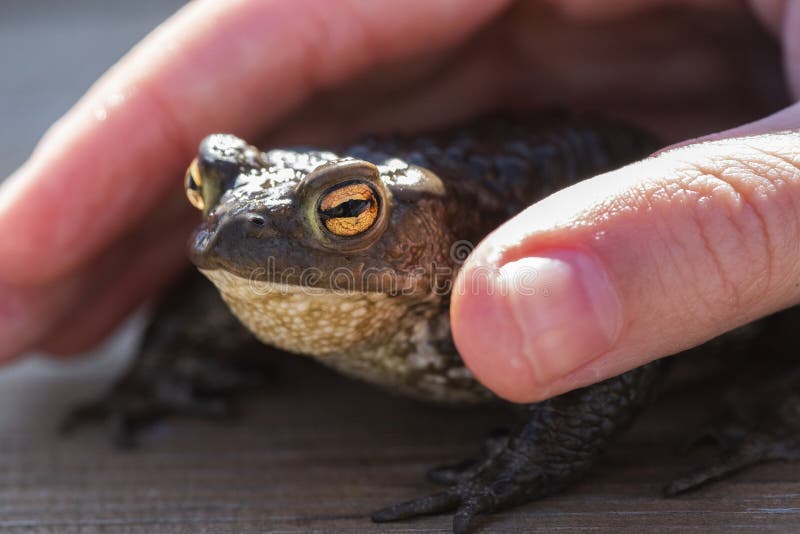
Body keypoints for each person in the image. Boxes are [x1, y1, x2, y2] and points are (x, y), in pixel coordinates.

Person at [0, 0, 797, 404]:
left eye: (342, 216)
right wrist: (154, 381)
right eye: (210, 188)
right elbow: (202, 291)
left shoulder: (460, 296)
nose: (230, 222)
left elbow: (617, 362)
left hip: (600, 176)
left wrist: (523, 466)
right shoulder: (245, 266)